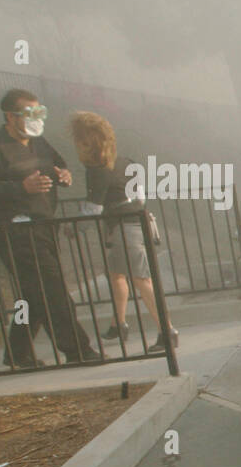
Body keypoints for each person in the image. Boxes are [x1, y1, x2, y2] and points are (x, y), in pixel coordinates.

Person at [0, 88, 99, 367]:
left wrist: (63, 175)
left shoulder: (39, 142)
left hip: (44, 224)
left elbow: (58, 165)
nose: (36, 117)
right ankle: (79, 350)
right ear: (10, 116)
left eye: (40, 112)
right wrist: (20, 188)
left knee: (33, 291)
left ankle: (17, 354)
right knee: (51, 287)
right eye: (30, 113)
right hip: (13, 229)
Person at [68, 111, 177, 351]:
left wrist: (73, 228)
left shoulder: (98, 170)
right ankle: (119, 324)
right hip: (136, 222)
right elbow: (139, 195)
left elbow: (94, 208)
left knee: (142, 279)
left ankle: (167, 331)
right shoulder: (126, 161)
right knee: (117, 274)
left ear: (87, 143)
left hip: (125, 228)